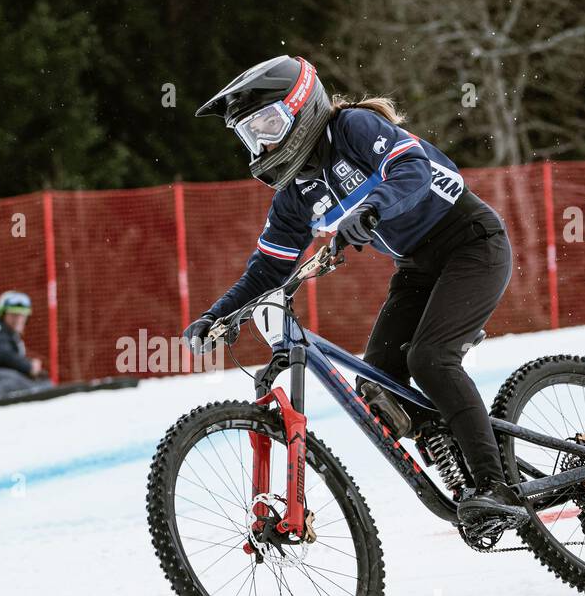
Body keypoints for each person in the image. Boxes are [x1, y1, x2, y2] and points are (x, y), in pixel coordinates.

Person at [185, 55, 526, 525]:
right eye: (251, 134)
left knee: (429, 358)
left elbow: (412, 172)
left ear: (301, 106)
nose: (262, 142)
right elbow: (268, 268)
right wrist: (217, 314)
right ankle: (447, 450)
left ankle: (495, 486)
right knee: (379, 382)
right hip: (417, 267)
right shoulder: (294, 192)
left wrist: (370, 209)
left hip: (471, 243)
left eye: (268, 124)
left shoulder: (353, 127)